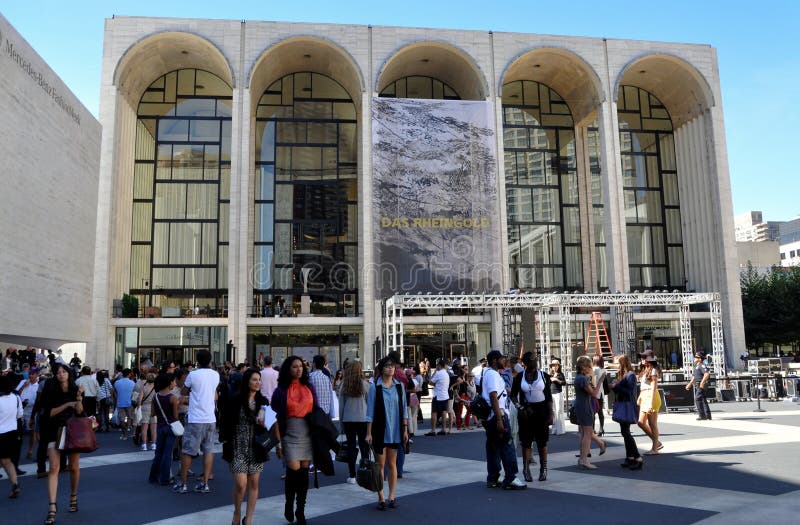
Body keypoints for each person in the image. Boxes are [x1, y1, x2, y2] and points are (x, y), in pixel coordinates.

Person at [220, 368, 274, 525]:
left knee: (254, 483)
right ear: (247, 382)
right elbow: (225, 420)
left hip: (255, 447)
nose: (258, 383)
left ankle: (248, 518)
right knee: (240, 484)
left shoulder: (263, 402)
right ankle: (237, 513)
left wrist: (263, 424)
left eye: (259, 380)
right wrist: (225, 439)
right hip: (237, 445)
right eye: (254, 379)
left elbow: (269, 425)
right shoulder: (235, 400)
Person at [271, 356, 315, 525]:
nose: (299, 369)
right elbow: (274, 414)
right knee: (293, 472)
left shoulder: (309, 386)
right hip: (289, 433)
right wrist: (278, 442)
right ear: (288, 369)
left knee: (304, 473)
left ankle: (300, 509)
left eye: (301, 366)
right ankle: (289, 503)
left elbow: (316, 409)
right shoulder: (281, 390)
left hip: (307, 433)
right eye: (295, 366)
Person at [39, 363, 85, 524]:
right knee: (53, 468)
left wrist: (78, 398)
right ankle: (52, 507)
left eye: (64, 371)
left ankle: (73, 496)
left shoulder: (75, 389)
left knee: (74, 467)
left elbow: (80, 412)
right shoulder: (50, 391)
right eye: (58, 372)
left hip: (72, 432)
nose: (61, 374)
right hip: (54, 431)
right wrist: (66, 405)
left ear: (69, 373)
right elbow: (48, 413)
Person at [174, 349, 220, 494]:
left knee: (187, 451)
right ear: (210, 360)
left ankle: (183, 484)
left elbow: (183, 391)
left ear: (197, 360)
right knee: (208, 450)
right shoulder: (215, 374)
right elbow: (214, 393)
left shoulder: (193, 375)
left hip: (195, 417)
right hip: (210, 418)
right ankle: (204, 483)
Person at [366, 356, 409, 510]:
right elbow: (369, 412)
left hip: (395, 430)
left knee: (392, 464)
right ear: (381, 369)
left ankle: (391, 496)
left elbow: (404, 409)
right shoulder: (375, 387)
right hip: (379, 430)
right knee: (380, 465)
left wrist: (405, 429)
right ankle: (381, 497)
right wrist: (368, 433)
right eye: (387, 366)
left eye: (393, 366)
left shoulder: (399, 386)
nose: (391, 368)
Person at [481, 350, 527, 490]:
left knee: (493, 447)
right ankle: (510, 478)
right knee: (507, 446)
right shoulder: (493, 375)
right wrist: (500, 420)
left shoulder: (488, 373)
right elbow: (493, 396)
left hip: (491, 416)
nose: (504, 361)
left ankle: (493, 477)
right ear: (495, 360)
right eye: (502, 359)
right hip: (498, 415)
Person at [510, 352, 553, 482]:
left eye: (536, 359)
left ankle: (543, 468)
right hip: (526, 412)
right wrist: (520, 407)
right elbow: (513, 396)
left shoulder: (544, 376)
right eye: (532, 360)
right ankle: (526, 469)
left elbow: (549, 396)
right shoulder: (519, 377)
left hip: (542, 411)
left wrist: (551, 413)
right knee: (526, 442)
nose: (535, 362)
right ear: (526, 362)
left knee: (542, 441)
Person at [338, 360, 370, 484]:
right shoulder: (365, 385)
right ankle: (364, 470)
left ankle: (352, 475)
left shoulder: (344, 385)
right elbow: (369, 403)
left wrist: (341, 423)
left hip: (348, 419)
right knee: (364, 446)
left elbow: (341, 406)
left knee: (350, 447)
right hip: (363, 419)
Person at [610, 355, 643, 470]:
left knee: (626, 432)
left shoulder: (630, 375)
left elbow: (629, 391)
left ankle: (637, 457)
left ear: (623, 363)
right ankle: (630, 457)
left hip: (627, 405)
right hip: (622, 404)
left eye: (617, 363)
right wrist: (614, 386)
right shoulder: (623, 375)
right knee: (624, 432)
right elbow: (620, 391)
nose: (616, 365)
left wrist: (617, 386)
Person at [574, 355, 606, 469]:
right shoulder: (582, 379)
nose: (590, 369)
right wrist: (600, 381)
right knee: (587, 433)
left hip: (580, 406)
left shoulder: (579, 377)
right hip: (585, 407)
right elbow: (594, 394)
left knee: (584, 433)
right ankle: (584, 460)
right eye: (589, 367)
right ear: (584, 367)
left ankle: (582, 458)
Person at [148, 373, 180, 485]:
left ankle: (153, 477)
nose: (174, 383)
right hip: (170, 427)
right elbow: (175, 416)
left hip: (160, 427)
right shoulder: (173, 398)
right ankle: (165, 478)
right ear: (169, 383)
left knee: (158, 453)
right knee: (167, 454)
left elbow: (152, 413)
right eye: (173, 382)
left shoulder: (155, 397)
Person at [0, 375, 23, 499]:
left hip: (1, 433)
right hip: (12, 432)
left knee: (5, 460)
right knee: (7, 461)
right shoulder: (15, 397)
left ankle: (15, 485)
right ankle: (15, 484)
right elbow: (19, 415)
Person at [637, 352, 663, 455]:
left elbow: (653, 387)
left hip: (651, 396)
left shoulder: (653, 370)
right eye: (641, 357)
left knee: (652, 424)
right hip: (645, 396)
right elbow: (643, 385)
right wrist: (640, 396)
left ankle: (655, 448)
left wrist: (651, 403)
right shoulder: (645, 369)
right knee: (640, 422)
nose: (642, 359)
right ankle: (657, 443)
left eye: (644, 357)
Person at [425, 359, 449, 436]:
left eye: (437, 365)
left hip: (438, 395)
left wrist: (435, 372)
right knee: (444, 412)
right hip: (445, 395)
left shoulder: (438, 373)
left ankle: (433, 430)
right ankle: (443, 429)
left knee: (434, 412)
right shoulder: (446, 373)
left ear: (439, 365)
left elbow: (430, 382)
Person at [686, 352, 712, 421]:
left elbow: (707, 374)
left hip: (701, 384)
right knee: (703, 399)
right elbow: (694, 377)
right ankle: (707, 415)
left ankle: (702, 415)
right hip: (698, 384)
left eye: (696, 357)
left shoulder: (701, 365)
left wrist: (702, 382)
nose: (695, 358)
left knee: (697, 399)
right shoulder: (696, 366)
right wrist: (690, 384)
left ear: (700, 359)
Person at [137, 373, 158, 451]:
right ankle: (154, 444)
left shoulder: (144, 387)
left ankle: (144, 444)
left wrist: (138, 408)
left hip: (145, 407)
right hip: (154, 408)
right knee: (154, 428)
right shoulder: (156, 388)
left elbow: (140, 399)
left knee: (144, 427)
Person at [114, 369, 135, 440]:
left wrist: (117, 398)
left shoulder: (117, 382)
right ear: (129, 374)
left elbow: (115, 392)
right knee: (130, 417)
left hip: (120, 402)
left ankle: (124, 433)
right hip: (129, 402)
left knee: (121, 419)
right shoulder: (132, 383)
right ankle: (128, 428)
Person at [548, 359, 566, 435]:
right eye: (553, 365)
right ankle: (554, 429)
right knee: (553, 411)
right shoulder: (550, 374)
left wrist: (556, 380)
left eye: (556, 365)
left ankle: (560, 430)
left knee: (559, 411)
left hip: (558, 393)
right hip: (551, 394)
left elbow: (564, 383)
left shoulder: (560, 374)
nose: (554, 367)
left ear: (558, 366)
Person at [592, 355, 607, 436]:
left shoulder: (594, 369)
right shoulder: (603, 370)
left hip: (594, 392)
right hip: (601, 392)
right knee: (600, 411)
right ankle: (601, 429)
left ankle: (593, 429)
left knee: (593, 411)